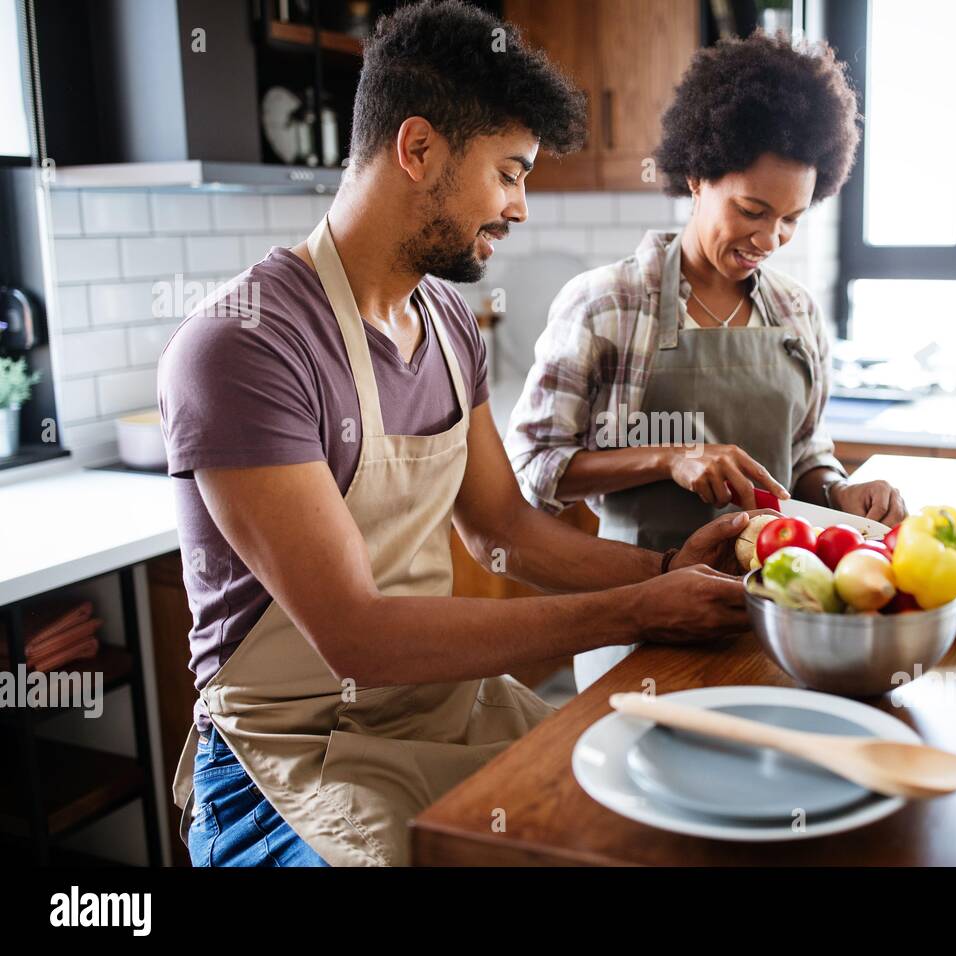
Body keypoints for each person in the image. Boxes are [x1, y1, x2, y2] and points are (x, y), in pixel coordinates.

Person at [157, 0, 753, 868]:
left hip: (440, 710)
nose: (519, 208)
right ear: (419, 149)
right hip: (282, 766)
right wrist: (630, 610)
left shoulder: (444, 320)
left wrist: (669, 573)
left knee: (641, 826)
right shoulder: (242, 347)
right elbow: (356, 635)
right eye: (510, 172)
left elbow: (502, 533)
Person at [507, 33, 908, 691]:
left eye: (790, 220)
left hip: (781, 620)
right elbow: (532, 470)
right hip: (643, 623)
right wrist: (669, 456)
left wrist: (838, 490)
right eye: (751, 210)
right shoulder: (604, 305)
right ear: (696, 175)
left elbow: (804, 452)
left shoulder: (797, 313)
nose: (769, 239)